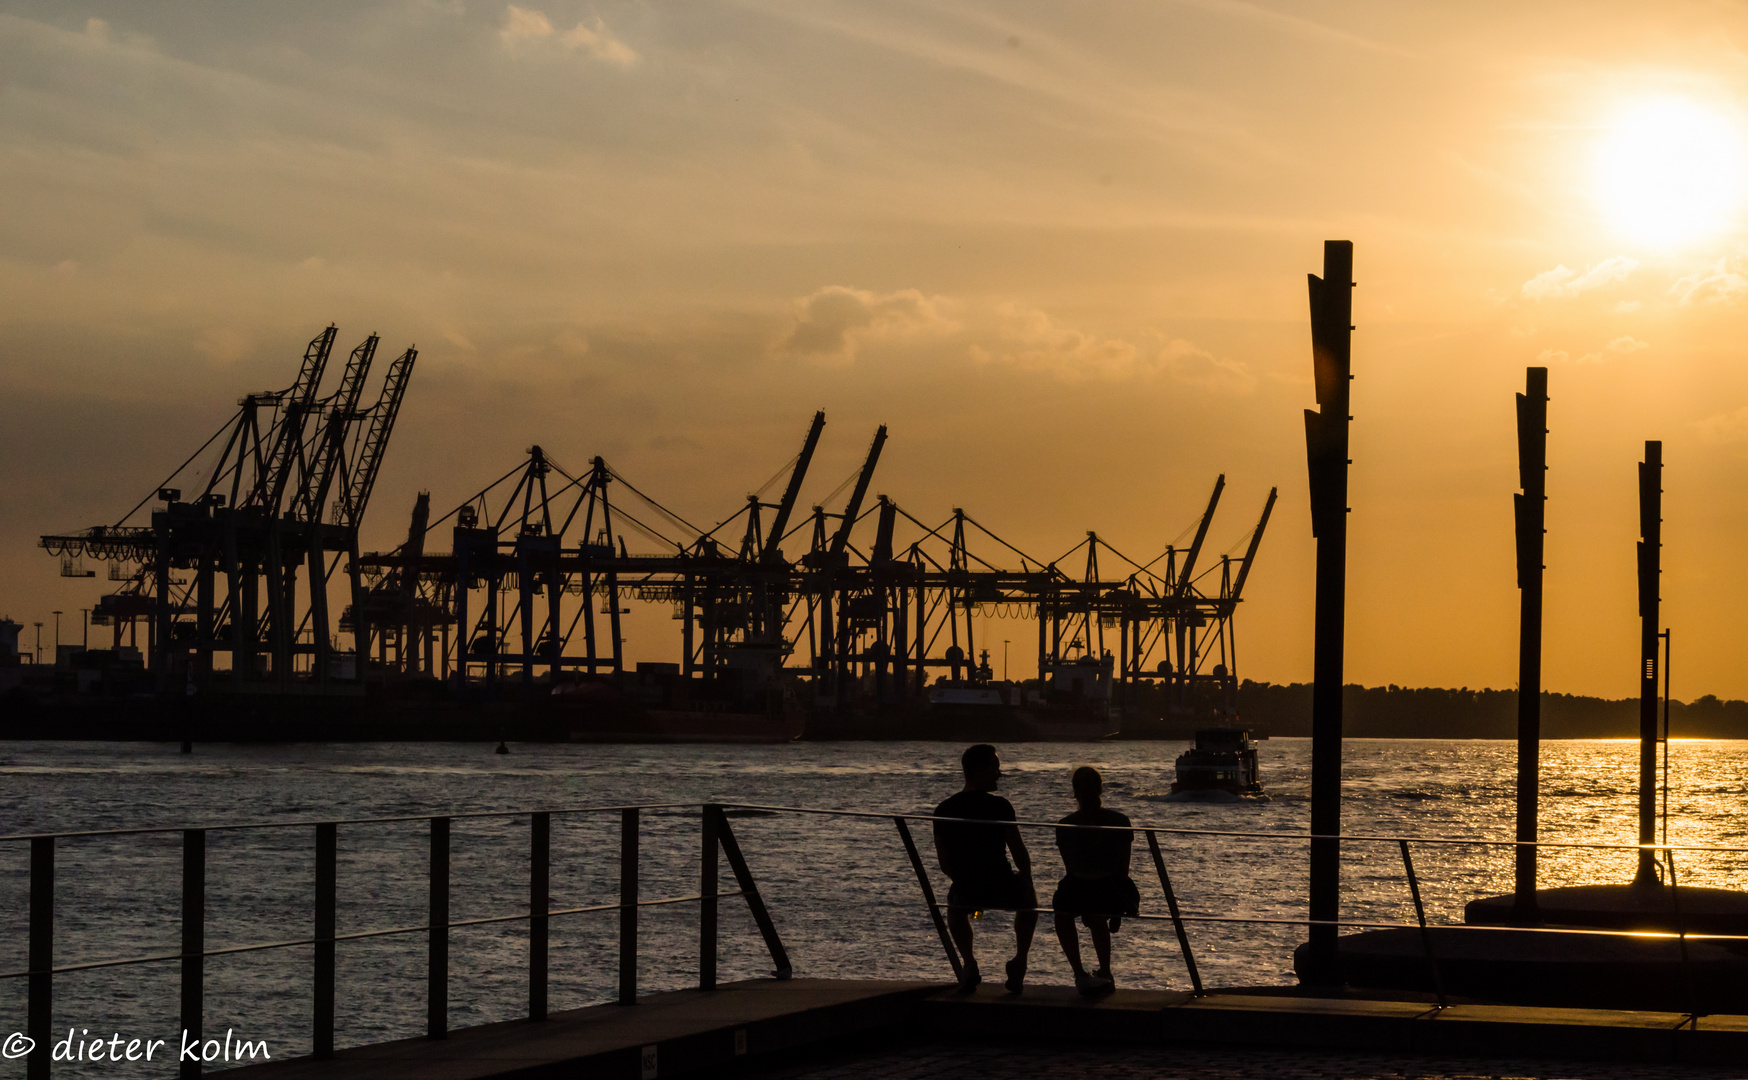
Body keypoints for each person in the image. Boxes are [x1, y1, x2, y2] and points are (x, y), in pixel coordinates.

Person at [933, 743, 1037, 992]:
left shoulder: (944, 810)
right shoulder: (1000, 806)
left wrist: (965, 878)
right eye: (995, 768)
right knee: (1029, 902)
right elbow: (1020, 855)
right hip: (1001, 883)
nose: (999, 774)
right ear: (979, 770)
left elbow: (944, 863)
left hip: (967, 887)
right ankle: (1020, 960)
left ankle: (969, 963)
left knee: (955, 905)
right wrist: (1025, 875)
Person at [1052, 766, 1140, 996]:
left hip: (1079, 885)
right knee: (1097, 916)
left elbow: (1070, 866)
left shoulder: (1065, 825)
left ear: (1075, 792)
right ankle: (1105, 970)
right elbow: (1123, 868)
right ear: (1101, 789)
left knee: (1062, 915)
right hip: (1110, 886)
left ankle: (1079, 972)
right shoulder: (1120, 821)